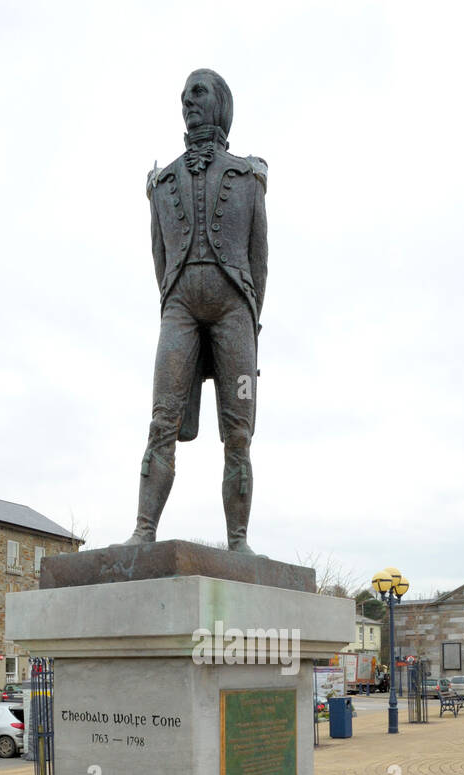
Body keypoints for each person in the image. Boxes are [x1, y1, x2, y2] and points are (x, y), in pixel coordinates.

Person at [124, 69, 268, 553]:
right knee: (161, 419)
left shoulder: (249, 176)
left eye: (198, 93)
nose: (188, 101)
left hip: (236, 312)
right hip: (180, 306)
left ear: (220, 103)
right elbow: (159, 257)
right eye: (184, 96)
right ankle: (144, 529)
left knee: (239, 431)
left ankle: (238, 541)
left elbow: (259, 257)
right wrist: (174, 299)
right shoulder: (161, 183)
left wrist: (250, 325)